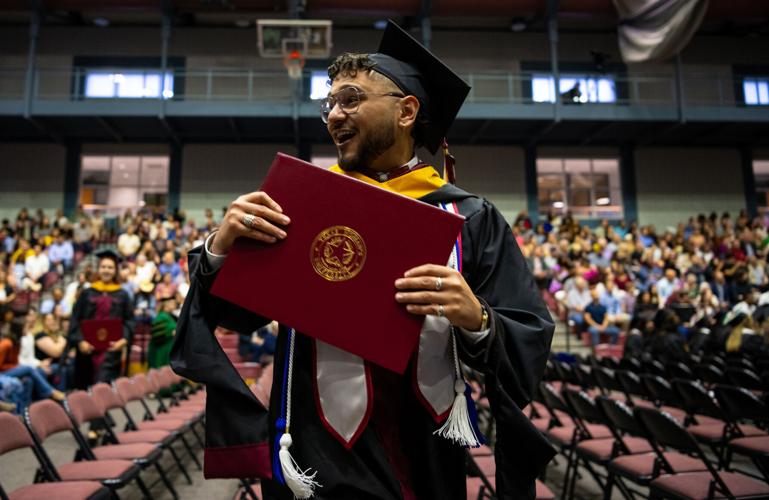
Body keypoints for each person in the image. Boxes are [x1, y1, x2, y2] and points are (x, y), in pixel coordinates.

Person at [172, 21, 554, 500]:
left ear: (406, 111)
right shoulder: (302, 208)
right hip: (315, 449)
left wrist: (475, 317)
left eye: (350, 99)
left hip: (425, 448)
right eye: (328, 104)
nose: (333, 114)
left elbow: (529, 340)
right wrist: (221, 248)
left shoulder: (469, 217)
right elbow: (233, 316)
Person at [68, 250, 134, 389]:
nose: (106, 271)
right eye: (103, 267)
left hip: (110, 350)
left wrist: (124, 340)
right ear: (98, 269)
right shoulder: (87, 293)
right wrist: (80, 341)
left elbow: (129, 321)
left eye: (110, 268)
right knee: (85, 388)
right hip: (87, 350)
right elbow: (76, 319)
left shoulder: (123, 294)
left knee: (103, 388)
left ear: (115, 271)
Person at [148, 297, 176, 369]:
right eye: (172, 302)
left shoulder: (169, 316)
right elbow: (160, 334)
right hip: (161, 350)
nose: (175, 304)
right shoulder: (161, 317)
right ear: (166, 305)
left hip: (167, 349)